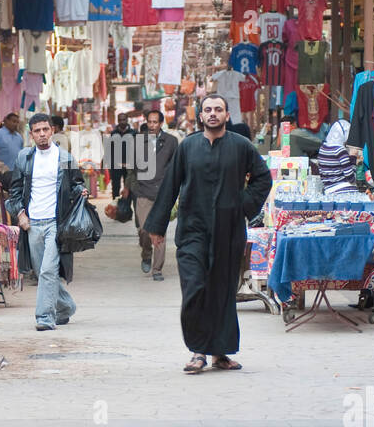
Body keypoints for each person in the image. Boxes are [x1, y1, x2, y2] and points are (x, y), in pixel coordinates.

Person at [144, 94, 273, 374]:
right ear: (200, 116)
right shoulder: (188, 147)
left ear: (227, 115)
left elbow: (264, 178)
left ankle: (220, 353)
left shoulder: (242, 147)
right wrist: (157, 226)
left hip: (228, 232)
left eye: (218, 109)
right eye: (207, 110)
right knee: (195, 288)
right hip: (193, 231)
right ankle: (197, 351)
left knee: (222, 293)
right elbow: (170, 186)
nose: (213, 114)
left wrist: (243, 204)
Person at [6, 113, 87, 331]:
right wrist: (20, 214)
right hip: (32, 224)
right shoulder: (24, 158)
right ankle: (66, 306)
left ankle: (44, 316)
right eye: (37, 131)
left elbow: (77, 183)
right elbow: (14, 191)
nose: (42, 134)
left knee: (48, 271)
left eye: (45, 130)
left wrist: (81, 191)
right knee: (41, 270)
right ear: (31, 134)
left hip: (55, 222)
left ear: (52, 131)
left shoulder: (65, 158)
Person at [123, 107, 178, 281]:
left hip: (163, 194)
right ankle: (146, 253)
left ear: (161, 123)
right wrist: (131, 187)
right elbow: (131, 168)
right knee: (145, 230)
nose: (152, 125)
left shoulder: (171, 141)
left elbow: (177, 167)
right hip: (143, 193)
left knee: (159, 231)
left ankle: (157, 269)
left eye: (155, 122)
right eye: (150, 122)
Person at [315, 119, 359, 193]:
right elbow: (351, 179)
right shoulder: (340, 151)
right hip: (344, 190)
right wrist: (353, 157)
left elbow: (321, 172)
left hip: (328, 190)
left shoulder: (322, 148)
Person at [105, 113, 135, 199]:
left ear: (127, 120)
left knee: (128, 188)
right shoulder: (114, 133)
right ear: (117, 121)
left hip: (129, 166)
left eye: (124, 120)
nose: (122, 122)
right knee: (115, 187)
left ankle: (126, 208)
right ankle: (115, 207)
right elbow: (110, 149)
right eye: (120, 120)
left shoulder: (133, 133)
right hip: (116, 165)